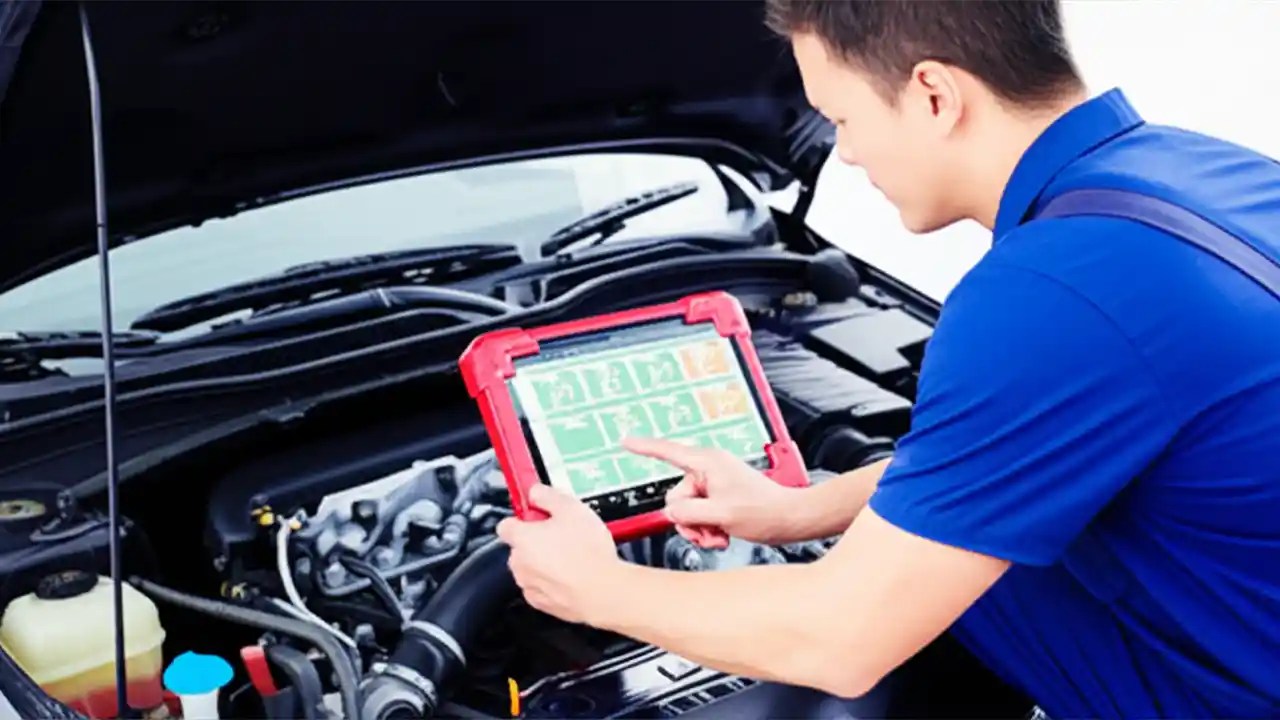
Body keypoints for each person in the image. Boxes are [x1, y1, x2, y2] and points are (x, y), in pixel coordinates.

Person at [494, 1, 1280, 717]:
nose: (845, 152)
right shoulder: (1206, 172)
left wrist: (595, 588)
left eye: (841, 116)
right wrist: (800, 510)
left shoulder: (1048, 296)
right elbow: (1017, 451)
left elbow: (840, 640)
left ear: (934, 94)